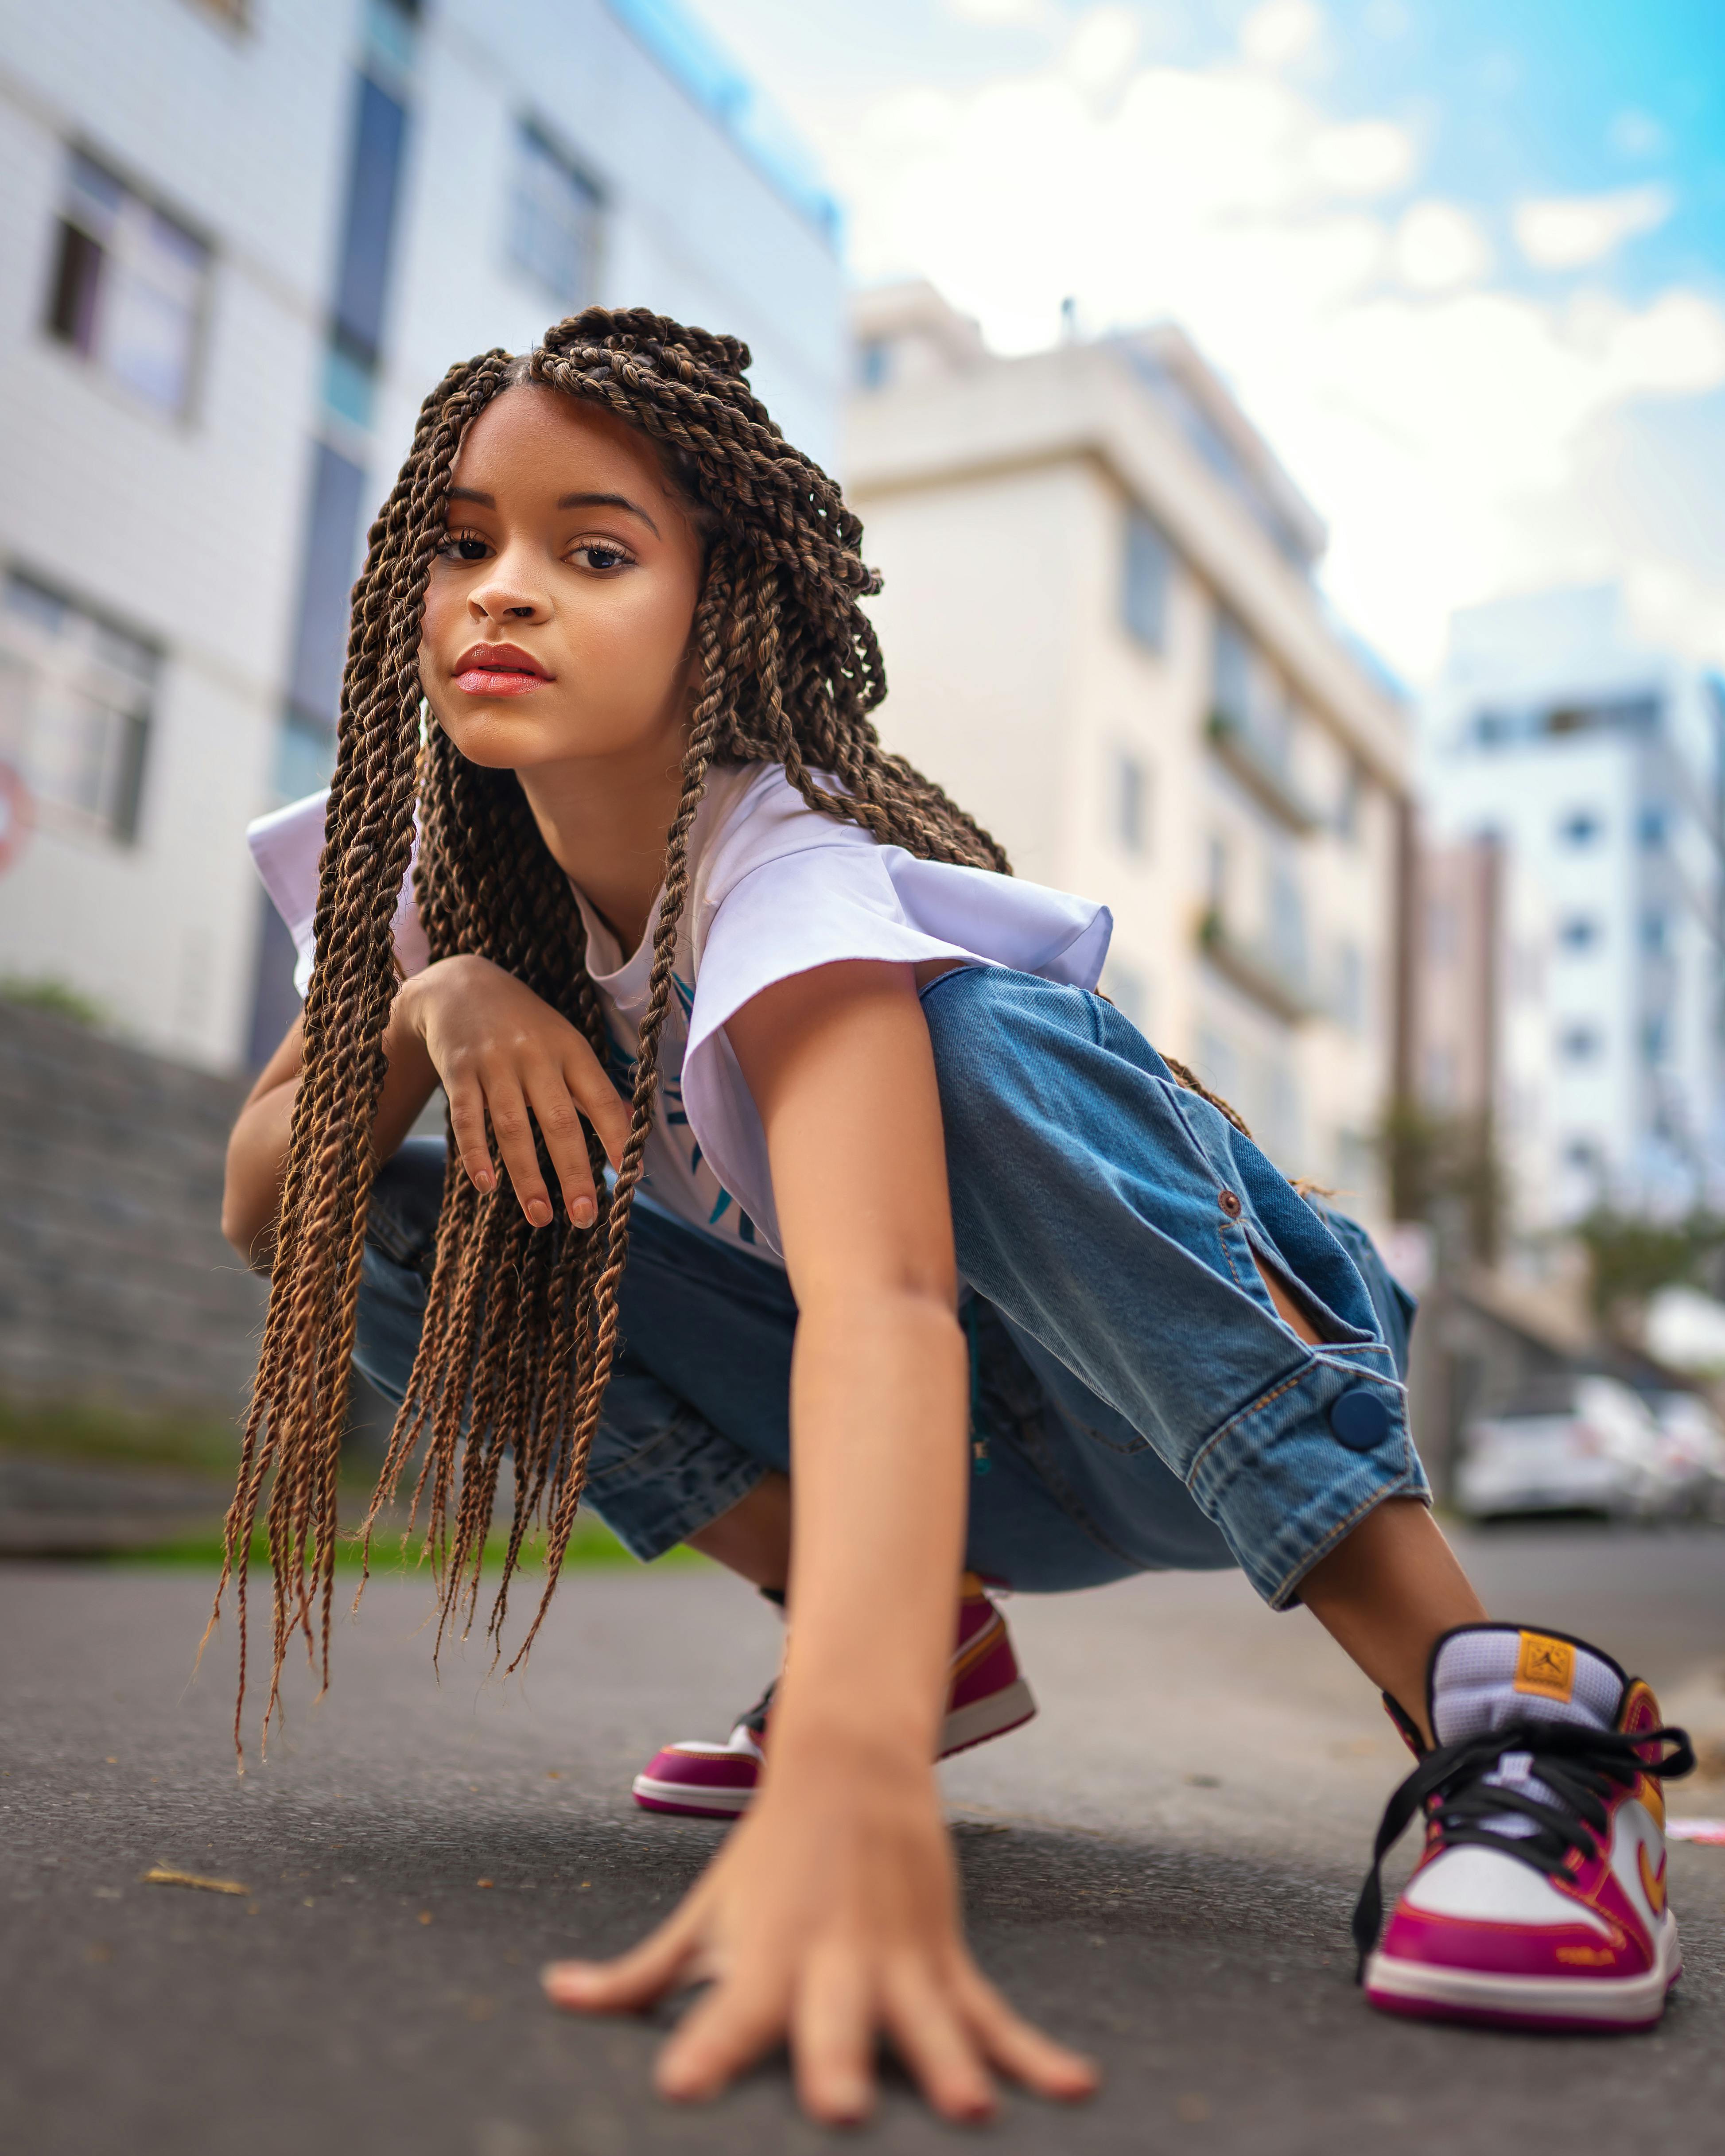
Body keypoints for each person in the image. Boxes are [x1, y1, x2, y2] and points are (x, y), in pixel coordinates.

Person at [221, 310, 1694, 2126]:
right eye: (461, 542)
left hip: (1172, 1358)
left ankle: (1517, 1725)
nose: (500, 592)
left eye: (589, 551)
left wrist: (845, 1774)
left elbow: (889, 1305)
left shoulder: (787, 867)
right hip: (954, 1474)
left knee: (974, 1044)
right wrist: (433, 1005)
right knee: (400, 1210)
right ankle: (914, 1625)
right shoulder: (431, 884)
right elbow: (268, 1204)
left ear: (721, 605)